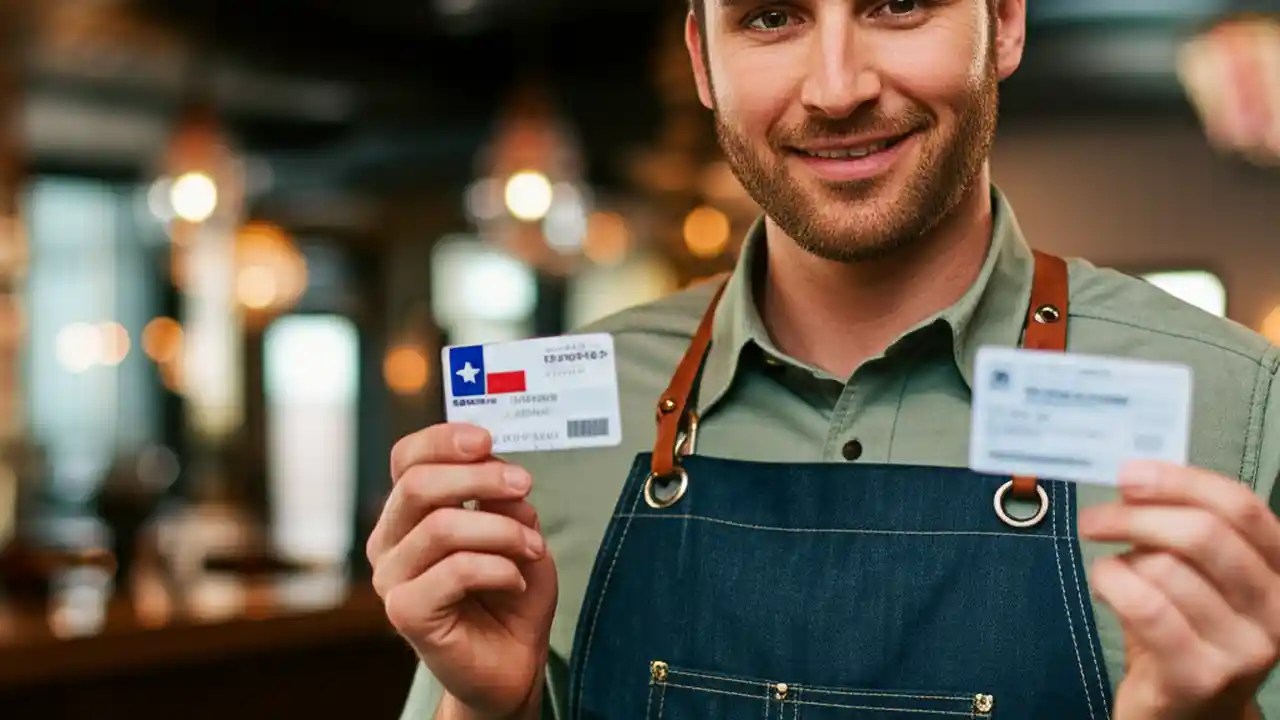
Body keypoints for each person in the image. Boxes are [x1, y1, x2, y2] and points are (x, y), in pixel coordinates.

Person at [369, 0, 1280, 717]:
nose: (837, 87)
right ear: (702, 61)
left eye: (897, 2)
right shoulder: (545, 441)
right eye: (771, 16)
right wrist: (489, 711)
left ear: (1003, 21)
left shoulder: (1236, 410)